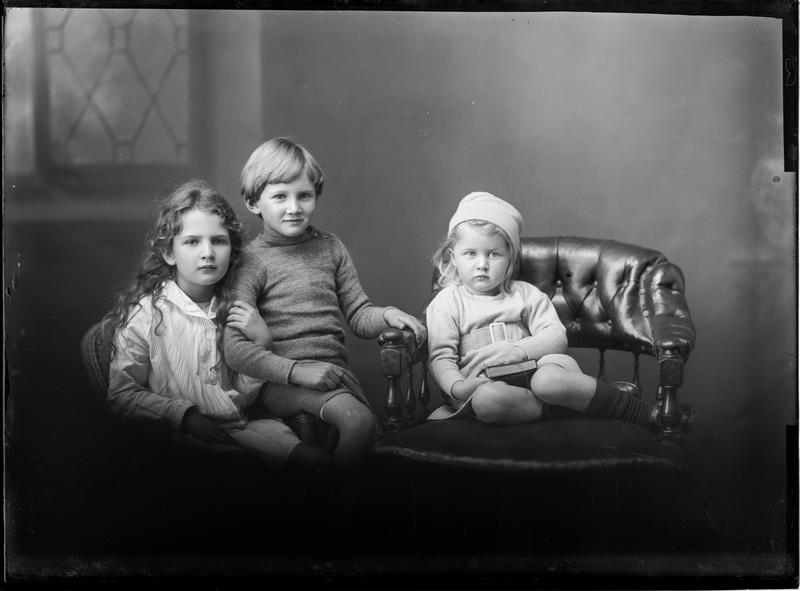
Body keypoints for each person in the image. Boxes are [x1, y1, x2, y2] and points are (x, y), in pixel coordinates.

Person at [223, 137, 426, 470]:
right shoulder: (250, 262)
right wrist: (296, 371)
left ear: (316, 195)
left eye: (304, 195)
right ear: (253, 202)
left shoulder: (330, 247)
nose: (294, 207)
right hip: (281, 380)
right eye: (280, 196)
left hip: (333, 372)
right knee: (358, 423)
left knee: (367, 437)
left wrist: (388, 315)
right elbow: (235, 350)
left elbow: (359, 314)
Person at [104, 179, 330, 473]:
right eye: (192, 242)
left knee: (317, 464)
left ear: (231, 249)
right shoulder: (146, 314)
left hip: (242, 429)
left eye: (218, 241)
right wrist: (186, 416)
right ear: (169, 253)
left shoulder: (237, 310)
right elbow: (122, 395)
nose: (207, 252)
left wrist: (261, 343)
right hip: (176, 436)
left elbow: (243, 395)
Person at [426, 191, 693, 429]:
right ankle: (585, 406)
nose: (482, 264)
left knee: (549, 381)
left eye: (494, 254)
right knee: (488, 401)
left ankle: (643, 412)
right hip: (484, 385)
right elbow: (441, 357)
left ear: (510, 259)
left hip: (537, 370)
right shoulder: (447, 302)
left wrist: (519, 351)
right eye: (470, 253)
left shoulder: (525, 294)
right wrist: (458, 387)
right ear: (453, 257)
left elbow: (555, 335)